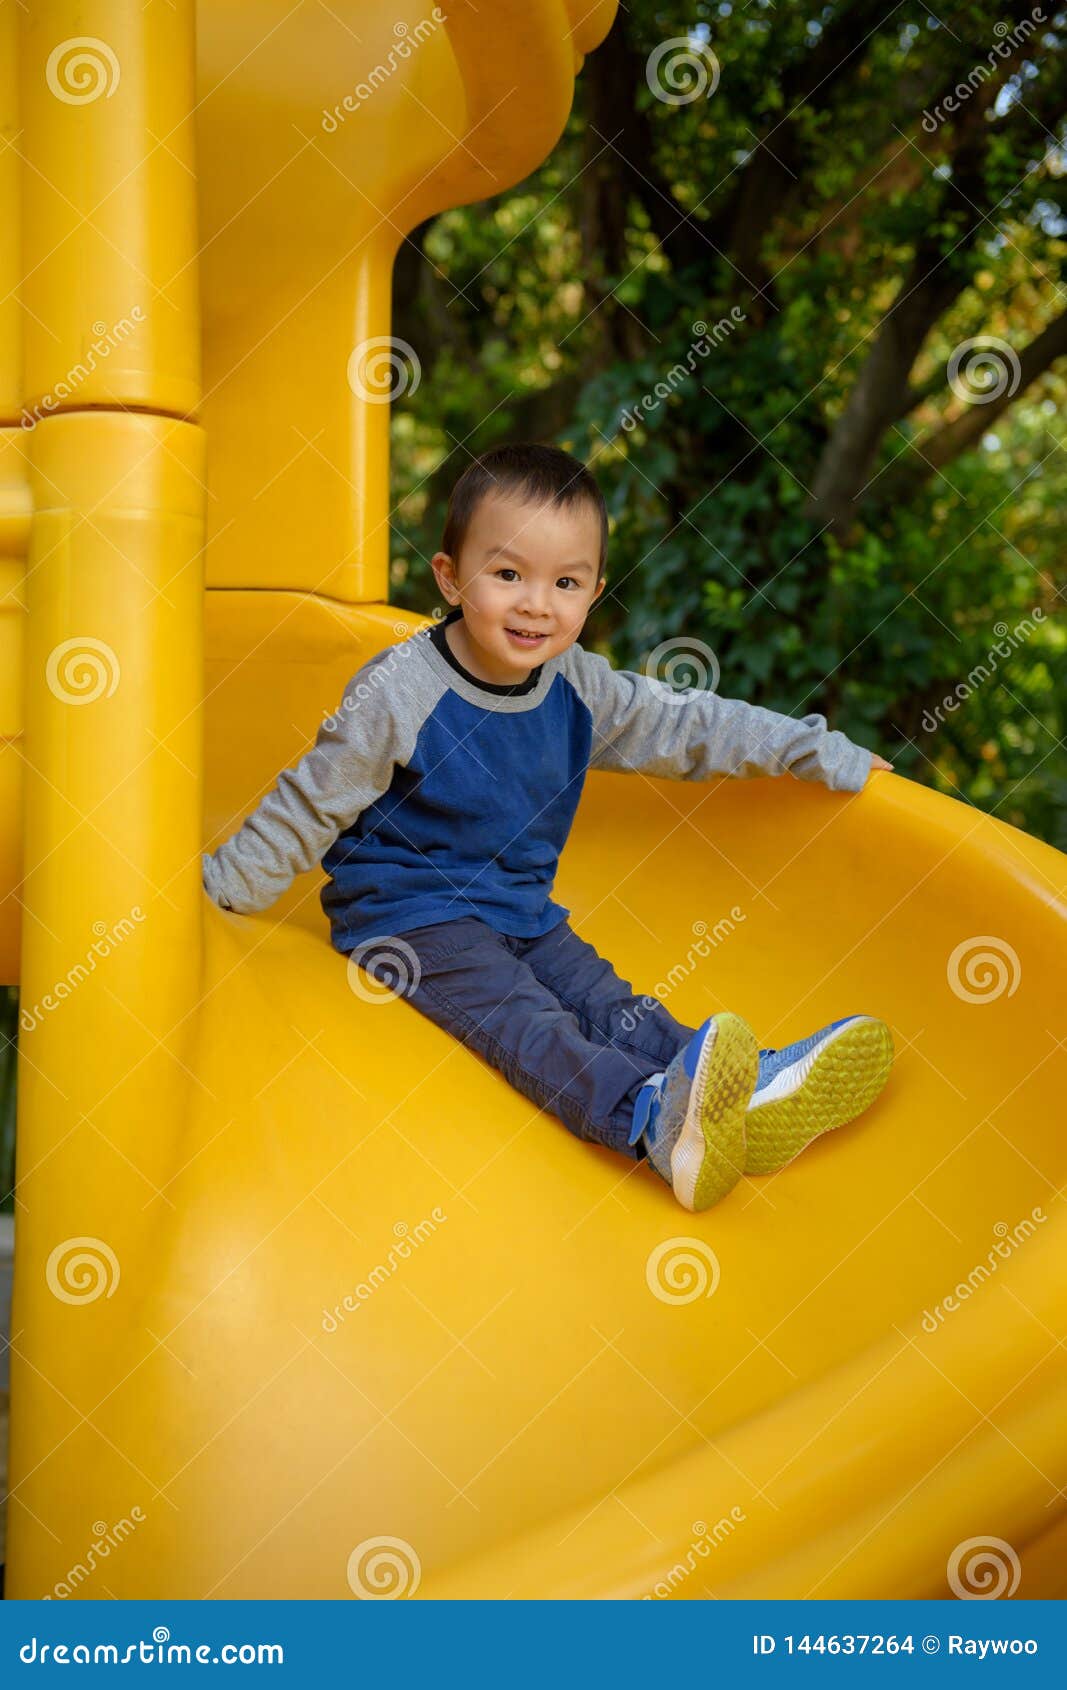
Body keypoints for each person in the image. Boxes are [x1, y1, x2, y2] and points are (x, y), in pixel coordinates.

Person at [202, 443, 895, 1211]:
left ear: (594, 592)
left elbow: (690, 725)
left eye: (564, 583)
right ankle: (646, 1121)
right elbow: (311, 801)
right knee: (529, 1022)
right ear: (448, 577)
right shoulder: (400, 690)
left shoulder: (576, 688)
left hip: (522, 911)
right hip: (408, 919)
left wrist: (812, 749)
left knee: (611, 1003)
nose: (536, 603)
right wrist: (216, 895)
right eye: (507, 575)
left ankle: (748, 1089)